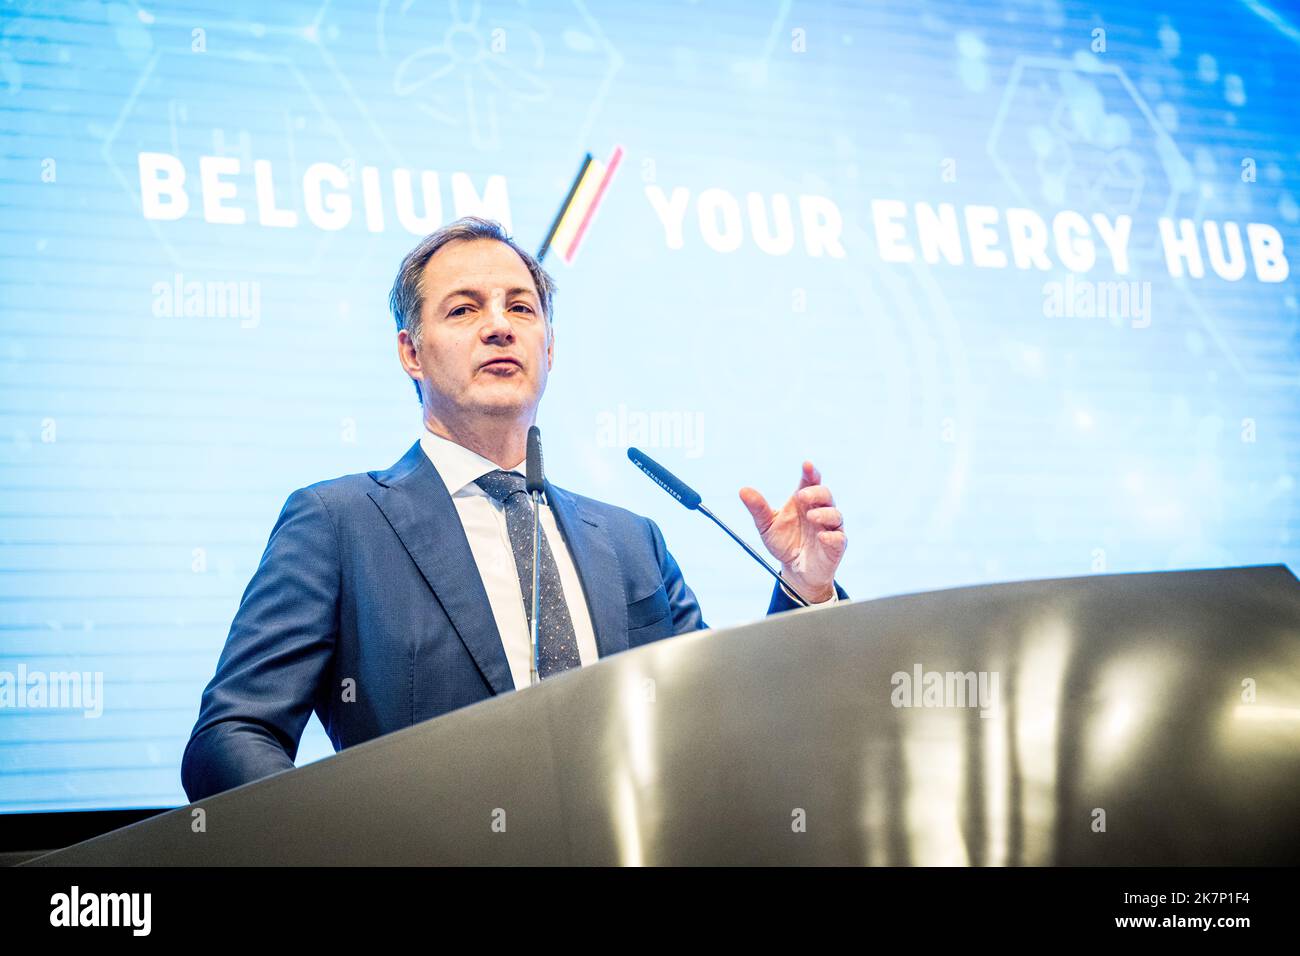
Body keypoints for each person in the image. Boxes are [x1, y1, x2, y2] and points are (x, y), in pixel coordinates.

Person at [181, 216, 848, 801]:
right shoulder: (339, 523)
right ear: (411, 352)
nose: (499, 326)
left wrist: (804, 587)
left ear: (549, 350)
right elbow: (230, 737)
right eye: (464, 310)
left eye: (521, 309)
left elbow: (720, 725)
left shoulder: (631, 541)